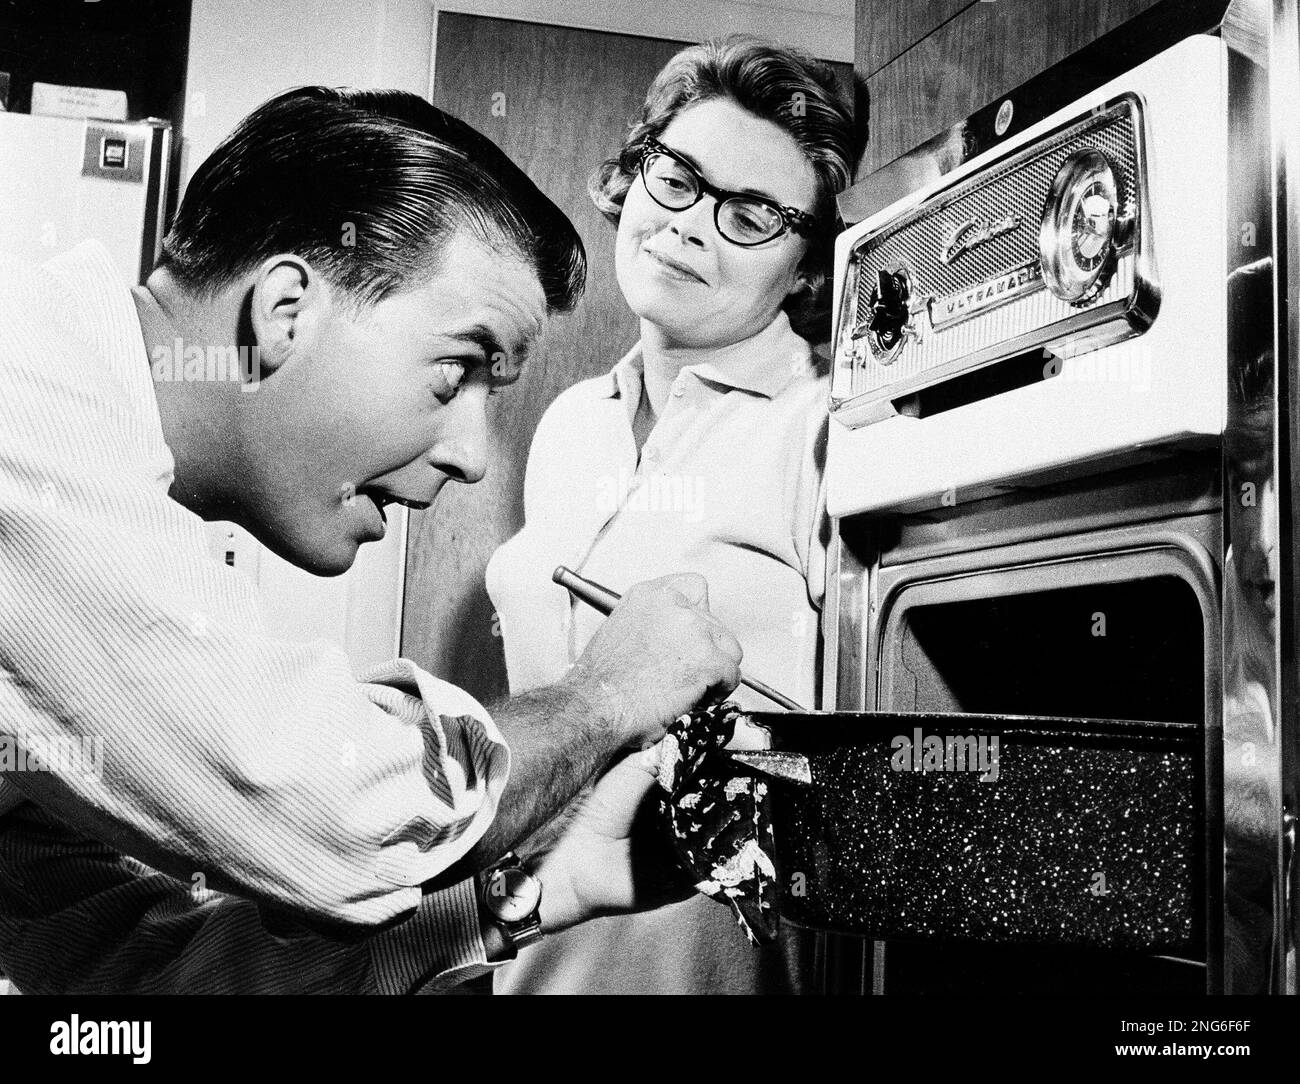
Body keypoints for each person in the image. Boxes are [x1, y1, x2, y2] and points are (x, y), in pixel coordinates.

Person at [0, 87, 744, 993]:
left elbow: (120, 954)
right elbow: (345, 814)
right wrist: (609, 693)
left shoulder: (106, 509)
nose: (472, 457)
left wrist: (539, 883)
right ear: (284, 312)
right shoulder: (26, 398)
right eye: (457, 370)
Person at [487, 36, 855, 994]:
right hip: (525, 959)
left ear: (806, 268)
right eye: (680, 178)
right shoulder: (571, 422)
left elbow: (864, 773)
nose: (690, 227)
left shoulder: (831, 424)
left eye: (752, 216)